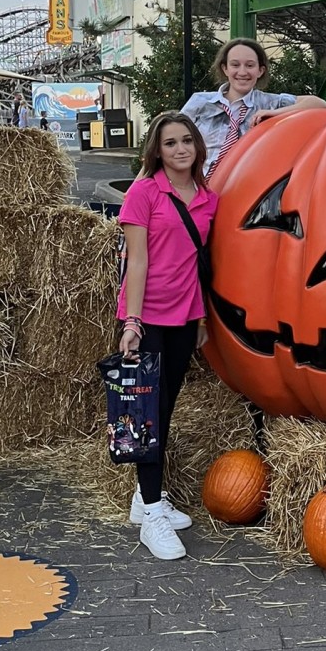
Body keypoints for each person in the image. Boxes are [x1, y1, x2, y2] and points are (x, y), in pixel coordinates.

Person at [116, 110, 219, 560]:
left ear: (197, 147)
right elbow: (135, 262)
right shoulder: (143, 193)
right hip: (149, 316)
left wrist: (200, 320)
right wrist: (132, 323)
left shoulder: (206, 198)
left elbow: (199, 265)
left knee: (166, 407)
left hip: (184, 317)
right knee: (145, 416)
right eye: (170, 143)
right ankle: (153, 512)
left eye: (186, 141)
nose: (180, 149)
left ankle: (144, 500)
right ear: (157, 150)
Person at [180, 38, 324, 180]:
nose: (242, 72)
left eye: (250, 65)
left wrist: (275, 113)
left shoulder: (269, 102)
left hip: (243, 190)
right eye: (235, 65)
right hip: (199, 189)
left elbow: (317, 103)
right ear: (225, 69)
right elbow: (174, 140)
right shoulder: (200, 102)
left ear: (260, 70)